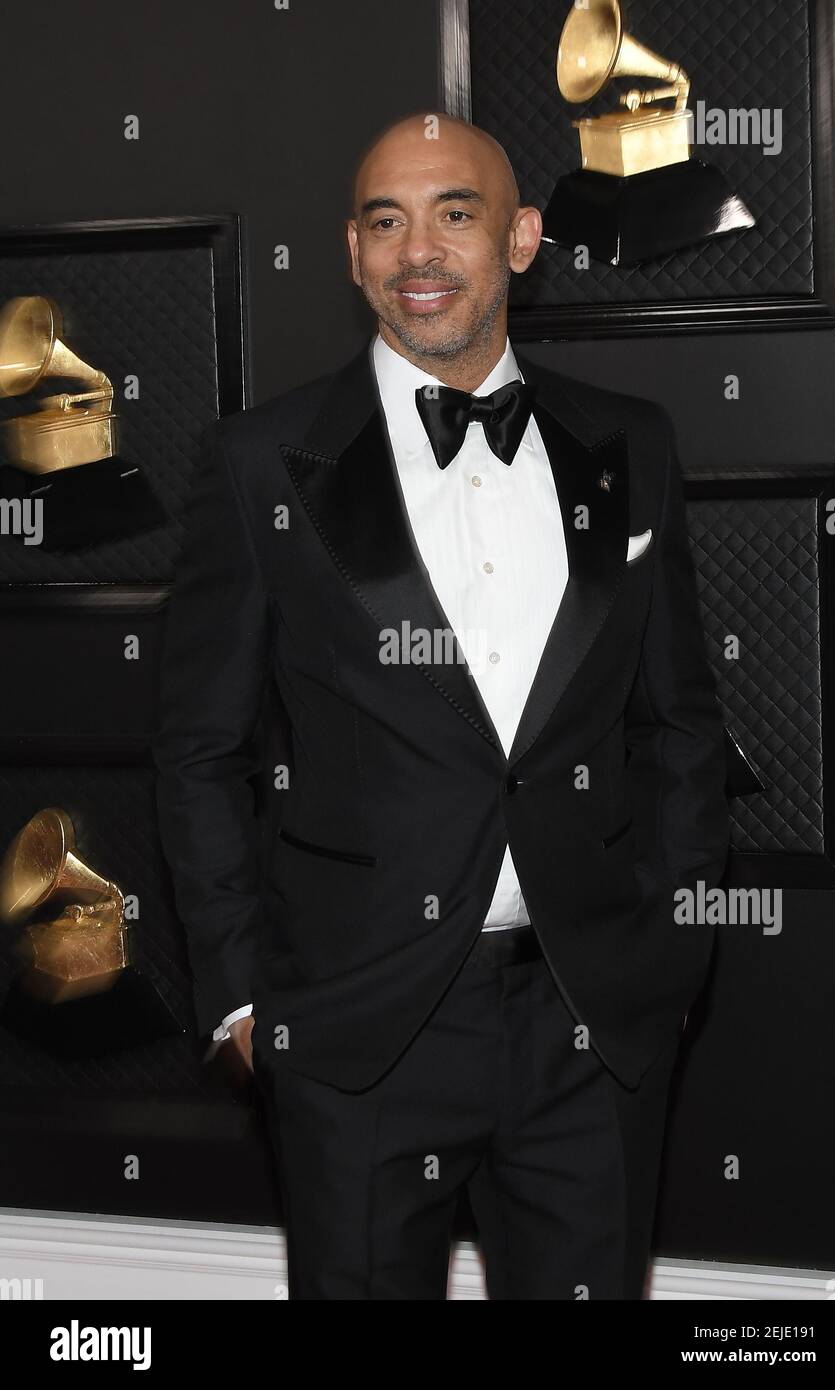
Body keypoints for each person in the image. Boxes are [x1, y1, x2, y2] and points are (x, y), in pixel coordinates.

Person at [153, 110, 730, 1300]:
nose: (418, 250)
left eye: (453, 214)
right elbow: (197, 749)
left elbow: (679, 723)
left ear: (520, 239)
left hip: (588, 1026)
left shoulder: (630, 445)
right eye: (385, 221)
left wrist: (668, 954)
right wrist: (246, 1002)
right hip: (355, 1033)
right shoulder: (260, 465)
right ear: (354, 254)